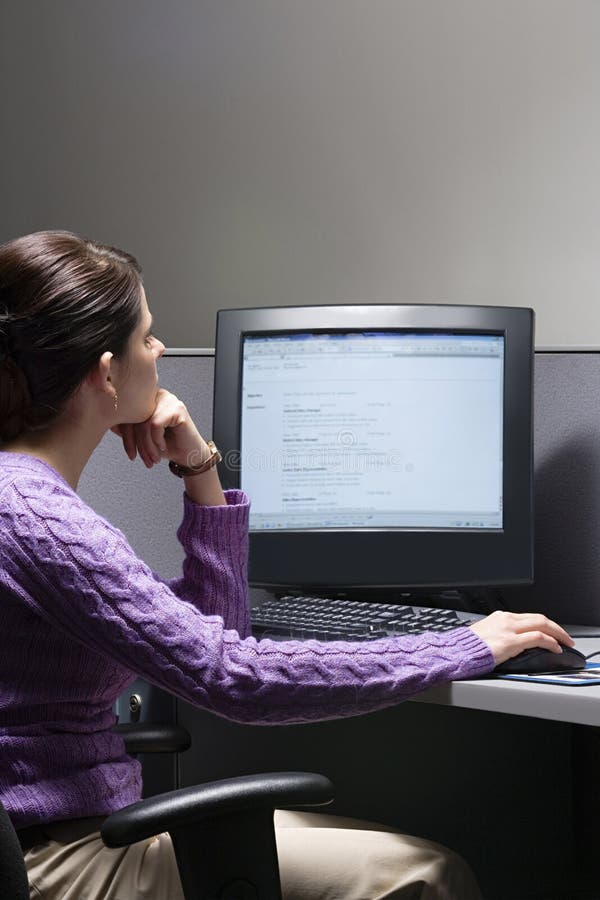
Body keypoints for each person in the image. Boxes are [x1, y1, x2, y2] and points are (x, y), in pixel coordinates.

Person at [0, 230, 573, 900]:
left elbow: (213, 632)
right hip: (53, 860)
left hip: (61, 837)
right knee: (424, 875)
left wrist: (199, 471)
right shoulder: (38, 519)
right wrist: (467, 643)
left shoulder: (23, 500)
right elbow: (234, 676)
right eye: (149, 338)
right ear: (105, 375)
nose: (158, 352)